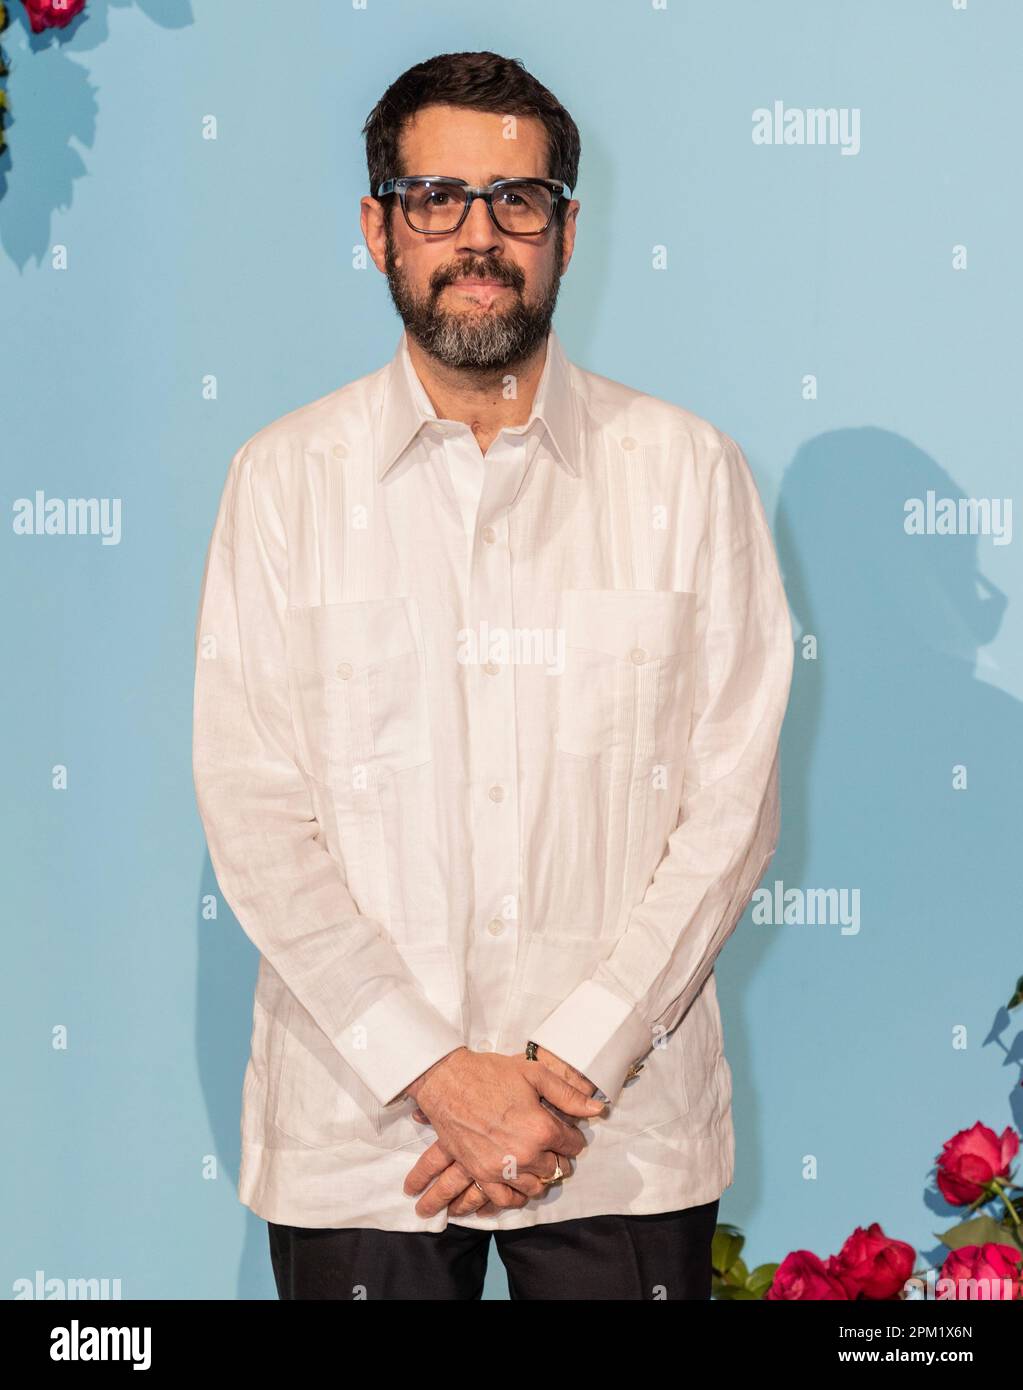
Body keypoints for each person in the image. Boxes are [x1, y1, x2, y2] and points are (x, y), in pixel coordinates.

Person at [191, 49, 794, 1301]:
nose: (480, 236)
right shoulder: (282, 484)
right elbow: (254, 809)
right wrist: (437, 1074)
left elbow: (729, 810)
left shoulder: (686, 474)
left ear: (567, 230)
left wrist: (571, 1063)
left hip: (621, 1140)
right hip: (365, 1148)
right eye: (437, 199)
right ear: (378, 228)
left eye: (517, 201)